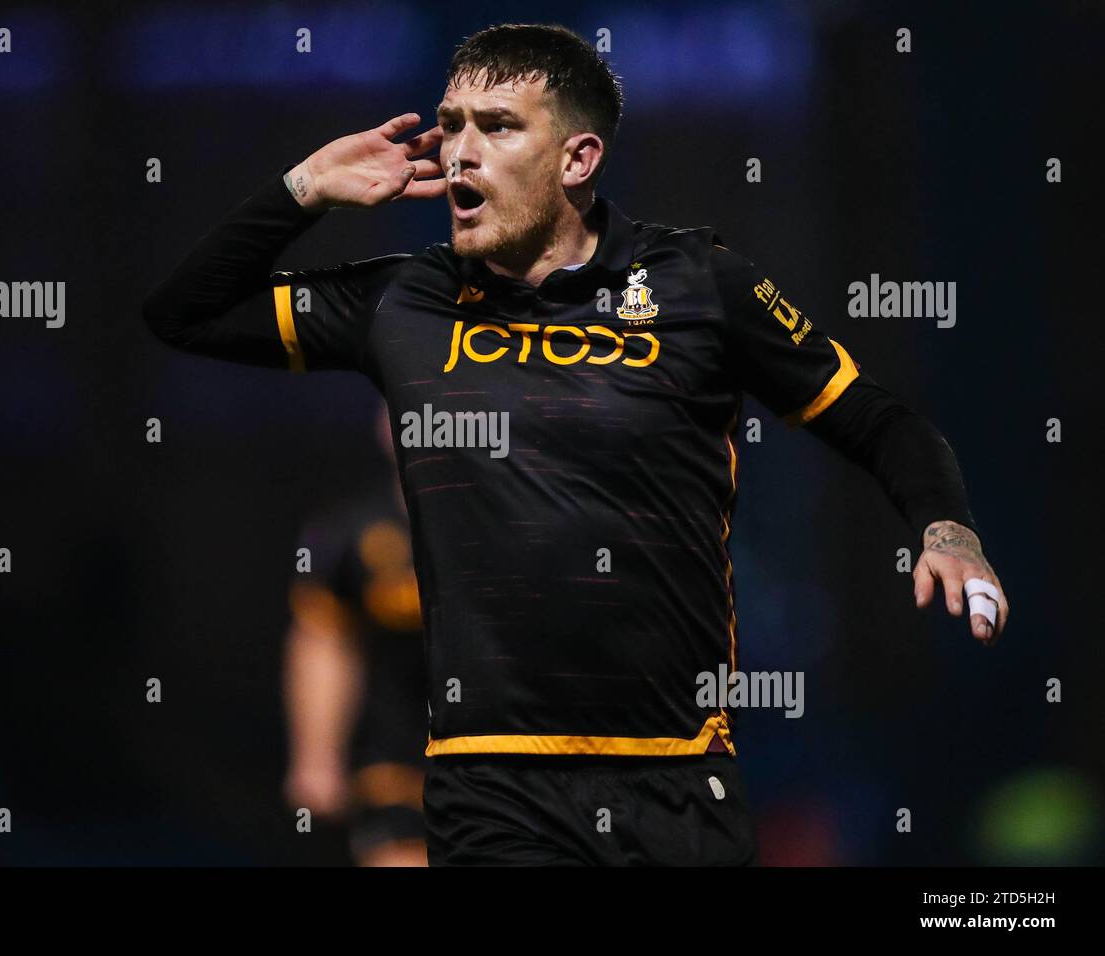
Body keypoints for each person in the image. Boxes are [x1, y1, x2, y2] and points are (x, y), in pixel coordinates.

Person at [143, 22, 1008, 866]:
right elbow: (184, 313)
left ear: (578, 159)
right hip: (492, 789)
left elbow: (877, 418)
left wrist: (947, 530)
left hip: (677, 780)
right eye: (450, 128)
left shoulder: (698, 283)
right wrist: (303, 189)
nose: (459, 154)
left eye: (497, 127)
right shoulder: (404, 302)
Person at [282, 403, 428, 866]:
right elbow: (323, 641)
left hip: (505, 767)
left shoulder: (515, 528)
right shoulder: (348, 533)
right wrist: (316, 758)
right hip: (394, 767)